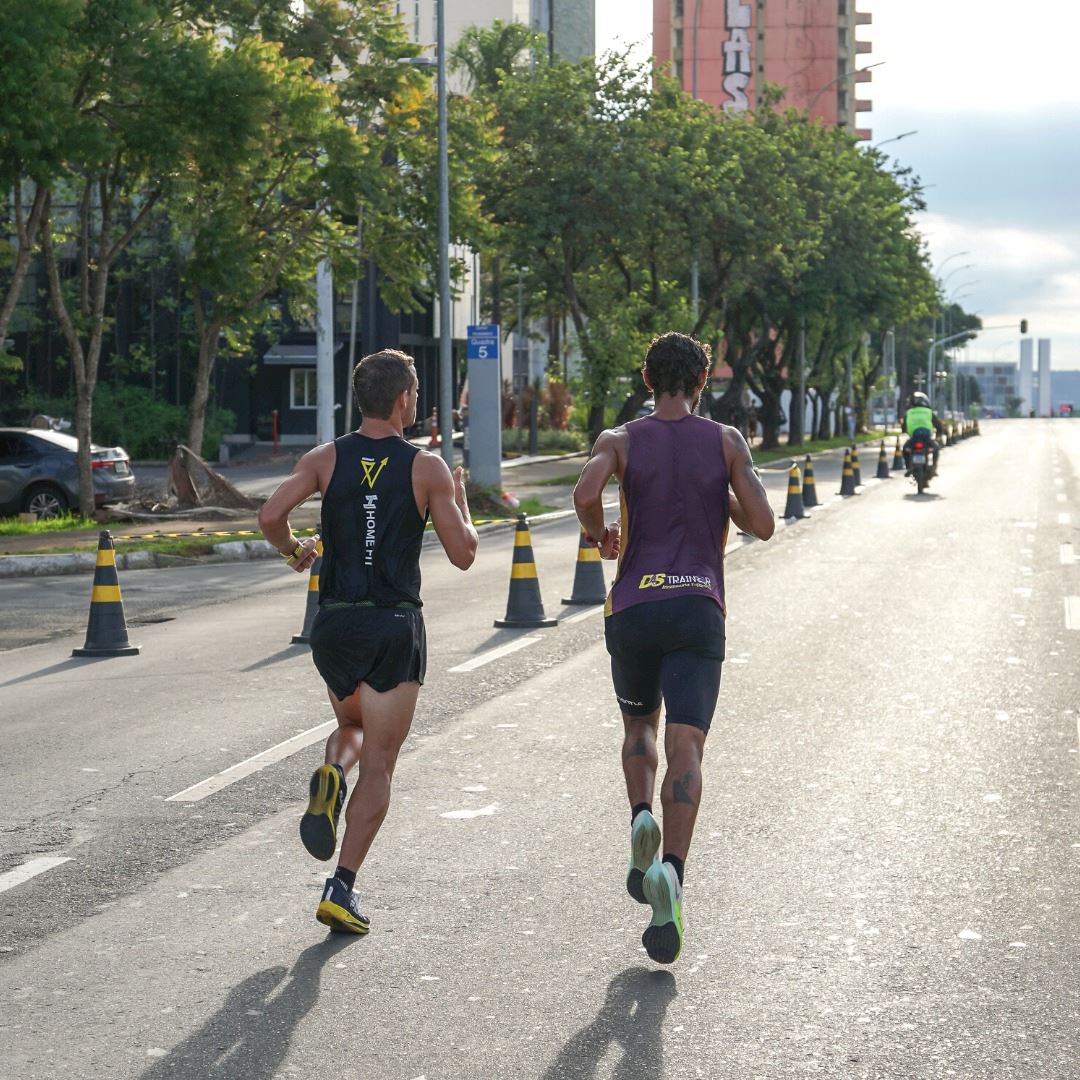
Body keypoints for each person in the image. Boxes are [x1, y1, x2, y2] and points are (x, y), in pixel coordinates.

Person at [259, 348, 477, 935]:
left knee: (353, 728)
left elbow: (270, 514)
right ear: (404, 399)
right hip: (392, 627)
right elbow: (463, 554)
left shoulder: (325, 458)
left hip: (334, 626)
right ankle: (341, 887)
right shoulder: (426, 467)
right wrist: (458, 501)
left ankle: (332, 772)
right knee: (380, 761)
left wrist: (293, 552)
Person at [572, 332, 775, 965]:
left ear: (647, 378)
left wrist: (601, 531)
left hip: (634, 607)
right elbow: (763, 523)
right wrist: (728, 504)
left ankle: (639, 816)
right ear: (701, 381)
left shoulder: (621, 440)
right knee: (687, 746)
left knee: (640, 726)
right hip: (697, 608)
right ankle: (673, 876)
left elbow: (584, 494)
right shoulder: (725, 440)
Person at [899, 391, 947, 475]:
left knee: (905, 449)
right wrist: (939, 434)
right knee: (936, 448)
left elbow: (903, 427)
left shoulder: (909, 413)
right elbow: (938, 425)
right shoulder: (928, 412)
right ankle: (934, 466)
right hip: (926, 437)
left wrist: (905, 431)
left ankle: (908, 468)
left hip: (914, 437)